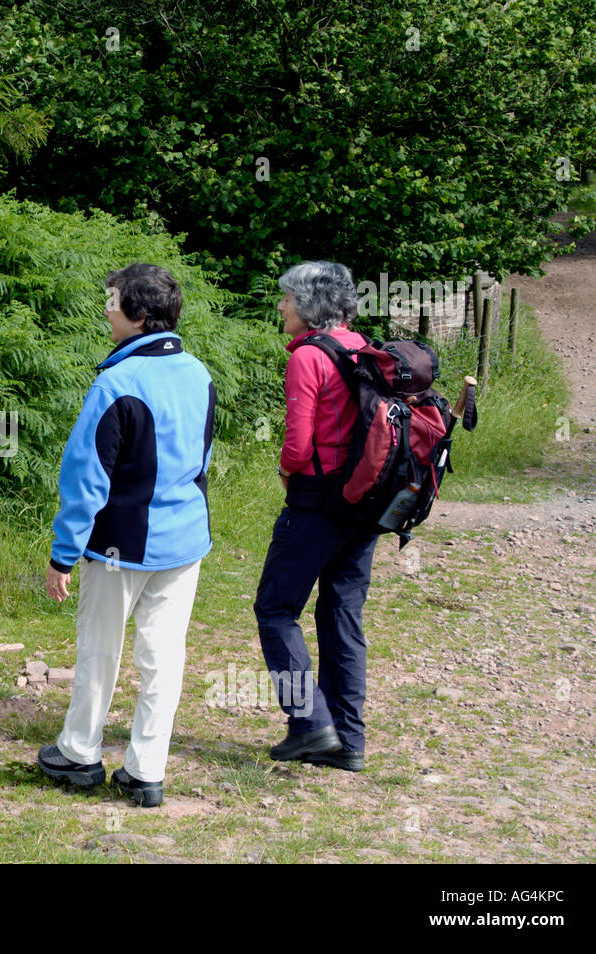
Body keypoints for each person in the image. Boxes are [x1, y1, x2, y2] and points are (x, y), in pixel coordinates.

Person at [37, 263, 216, 807]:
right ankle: (146, 773)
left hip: (119, 546)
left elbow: (85, 481)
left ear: (138, 316)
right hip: (185, 542)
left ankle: (79, 754)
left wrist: (63, 555)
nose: (106, 310)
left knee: (99, 649)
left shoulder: (115, 382)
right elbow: (202, 459)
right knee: (163, 655)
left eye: (112, 301)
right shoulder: (200, 373)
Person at [253, 260, 377, 772]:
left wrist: (286, 472)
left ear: (307, 306)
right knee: (341, 613)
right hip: (364, 502)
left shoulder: (308, 357)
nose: (280, 305)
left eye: (286, 298)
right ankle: (348, 741)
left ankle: (308, 724)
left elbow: (299, 443)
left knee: (276, 609)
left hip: (315, 500)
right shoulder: (359, 346)